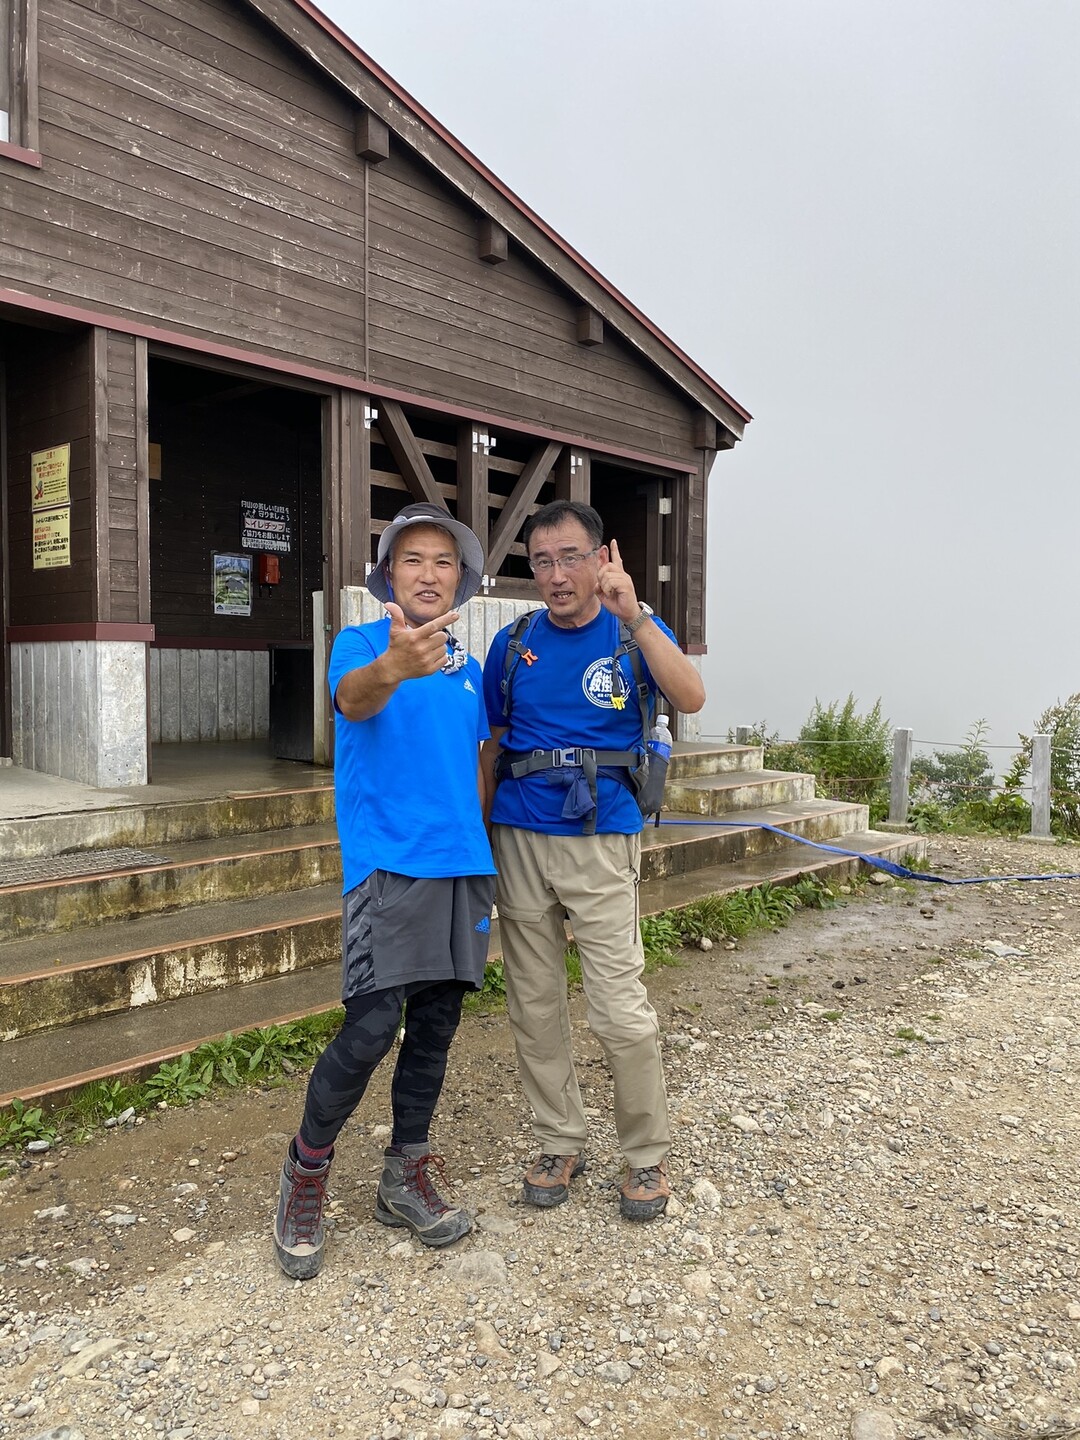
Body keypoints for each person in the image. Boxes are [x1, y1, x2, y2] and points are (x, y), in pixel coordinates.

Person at [274, 502, 496, 1279]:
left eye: (443, 561)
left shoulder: (468, 668)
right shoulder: (362, 645)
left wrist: (484, 846)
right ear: (388, 575)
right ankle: (305, 1173)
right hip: (388, 864)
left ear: (460, 579)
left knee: (435, 1028)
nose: (429, 574)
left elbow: (476, 762)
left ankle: (405, 1175)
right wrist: (396, 666)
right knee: (370, 1029)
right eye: (413, 560)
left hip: (462, 866)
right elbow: (353, 701)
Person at [481, 499, 705, 1222]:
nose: (556, 575)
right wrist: (479, 840)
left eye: (570, 557)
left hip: (603, 839)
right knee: (534, 1003)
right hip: (518, 836)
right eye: (542, 561)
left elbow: (692, 695)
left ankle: (645, 1153)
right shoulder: (513, 644)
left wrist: (635, 613)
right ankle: (559, 1140)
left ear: (601, 557)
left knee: (619, 1010)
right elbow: (494, 745)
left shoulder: (631, 633)